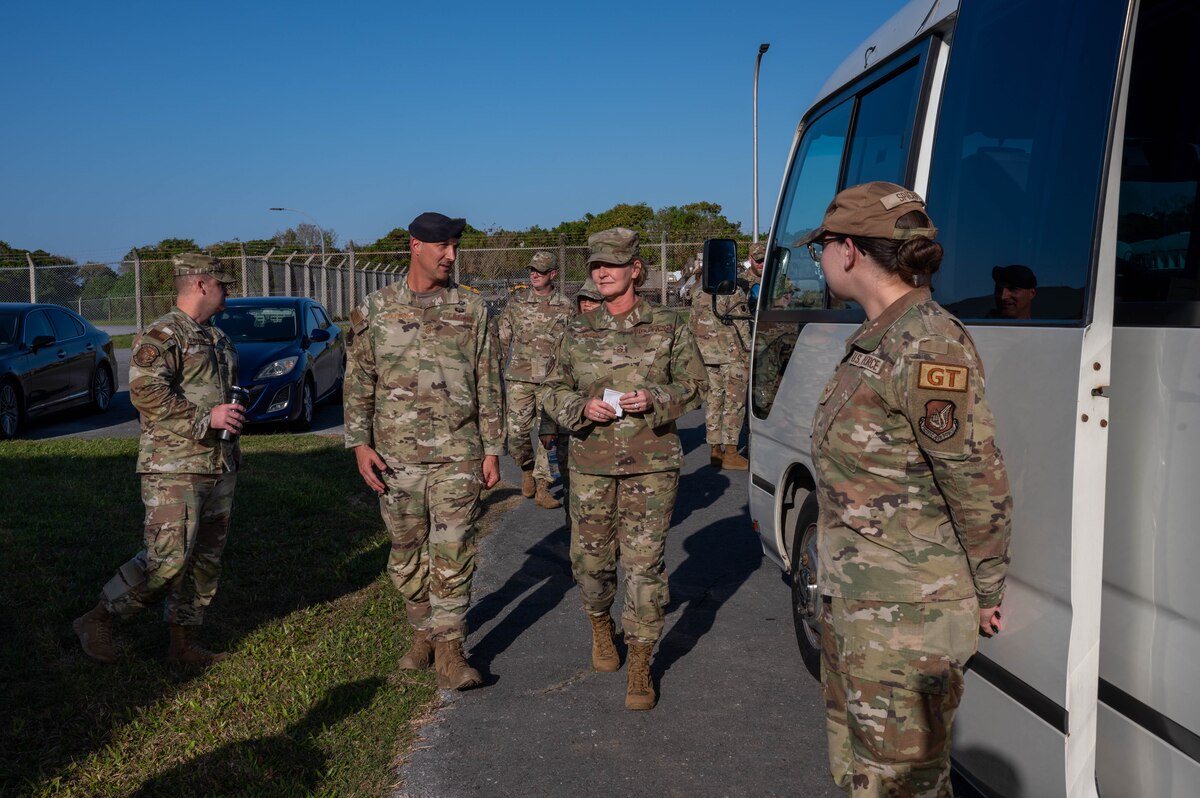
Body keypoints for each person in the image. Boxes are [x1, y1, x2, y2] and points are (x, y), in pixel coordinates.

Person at [801, 182, 1012, 795]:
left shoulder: (926, 343)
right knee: (863, 774)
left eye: (822, 247)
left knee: (901, 783)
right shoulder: (882, 336)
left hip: (908, 614)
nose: (820, 260)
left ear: (847, 250)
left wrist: (987, 585)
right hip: (863, 602)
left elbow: (975, 479)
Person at [540, 228, 707, 711]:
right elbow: (551, 389)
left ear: (637, 268)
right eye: (595, 265)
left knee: (643, 564)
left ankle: (640, 658)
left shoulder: (667, 324)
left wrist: (655, 397)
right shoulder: (575, 329)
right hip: (590, 464)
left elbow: (695, 386)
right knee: (591, 564)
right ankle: (599, 624)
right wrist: (579, 408)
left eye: (612, 264)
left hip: (650, 466)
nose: (603, 272)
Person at [343, 212, 504, 691]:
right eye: (443, 247)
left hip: (459, 452)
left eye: (455, 247)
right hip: (396, 457)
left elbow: (489, 382)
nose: (451, 256)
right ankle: (424, 632)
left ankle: (451, 652)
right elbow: (359, 382)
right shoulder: (375, 309)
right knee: (406, 555)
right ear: (415, 246)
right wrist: (359, 444)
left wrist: (493, 449)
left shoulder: (472, 310)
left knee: (452, 552)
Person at [73, 253, 245, 666]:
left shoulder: (216, 338)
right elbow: (146, 393)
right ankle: (100, 617)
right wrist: (208, 418)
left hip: (217, 464)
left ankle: (182, 643)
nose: (228, 293)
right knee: (167, 560)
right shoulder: (164, 333)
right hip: (175, 467)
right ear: (200, 285)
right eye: (223, 285)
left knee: (204, 559)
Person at [498, 250, 575, 509]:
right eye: (532, 270)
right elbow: (502, 337)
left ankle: (543, 485)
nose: (534, 275)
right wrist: (494, 372)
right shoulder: (517, 302)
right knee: (516, 433)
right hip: (519, 377)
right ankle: (526, 467)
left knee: (548, 434)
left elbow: (574, 344)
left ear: (552, 274)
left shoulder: (565, 306)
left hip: (551, 381)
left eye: (540, 271)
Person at [538, 278, 604, 523]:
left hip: (609, 430)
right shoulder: (568, 336)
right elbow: (553, 384)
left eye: (594, 300)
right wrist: (547, 426)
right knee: (571, 486)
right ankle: (574, 530)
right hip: (571, 427)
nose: (587, 305)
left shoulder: (621, 336)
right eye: (584, 299)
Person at [688, 266, 752, 469]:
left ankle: (715, 450)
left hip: (706, 354)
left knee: (714, 399)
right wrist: (749, 354)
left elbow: (691, 324)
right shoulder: (734, 291)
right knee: (734, 403)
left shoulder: (699, 290)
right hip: (732, 354)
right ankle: (731, 453)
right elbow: (742, 324)